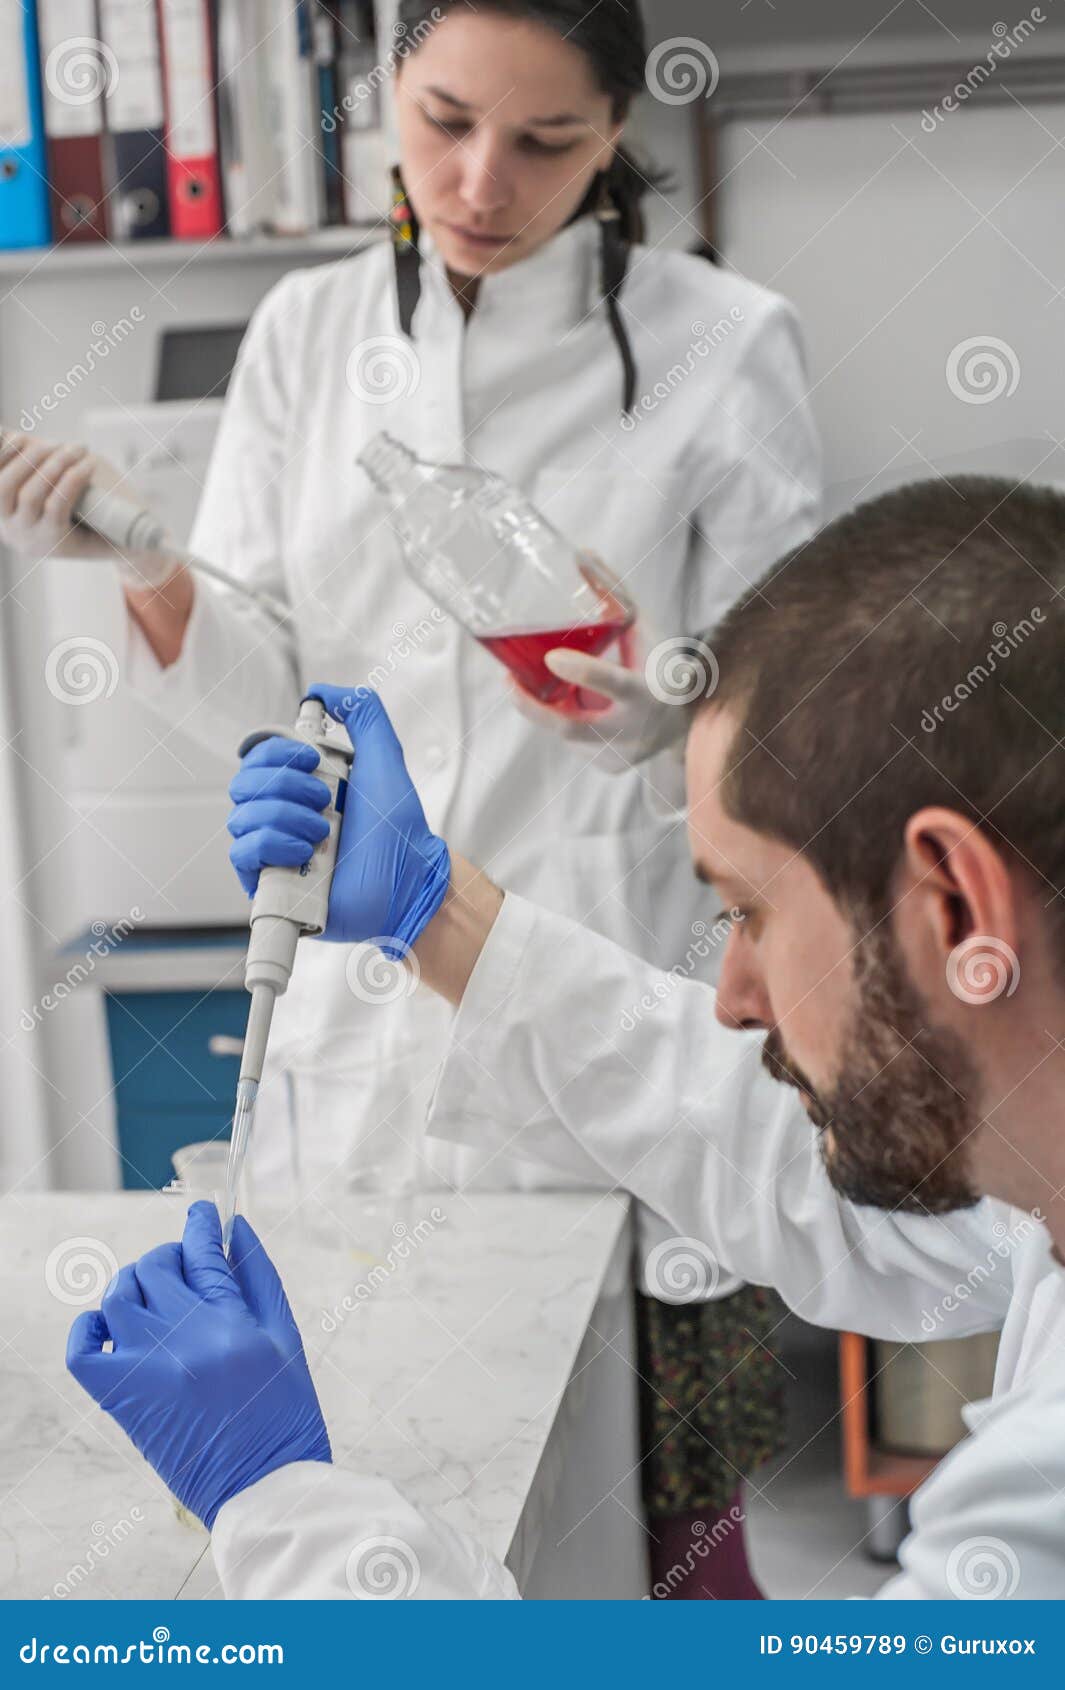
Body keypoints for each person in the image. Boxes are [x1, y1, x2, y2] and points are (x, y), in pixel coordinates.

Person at [5, 0, 819, 1597]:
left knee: (678, 1552)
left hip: (615, 1017)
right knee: (376, 1494)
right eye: (443, 120)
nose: (479, 180)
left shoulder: (727, 340)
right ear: (389, 96)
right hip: (358, 1036)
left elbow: (789, 723)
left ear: (617, 137)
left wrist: (645, 684)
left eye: (545, 142)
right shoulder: (309, 335)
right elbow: (267, 689)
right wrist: (148, 565)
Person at [70, 472, 1065, 1598]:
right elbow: (806, 1164)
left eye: (748, 912)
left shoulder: (1038, 1511)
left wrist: (282, 1505)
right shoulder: (1032, 1195)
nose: (732, 996)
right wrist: (431, 911)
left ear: (958, 908)